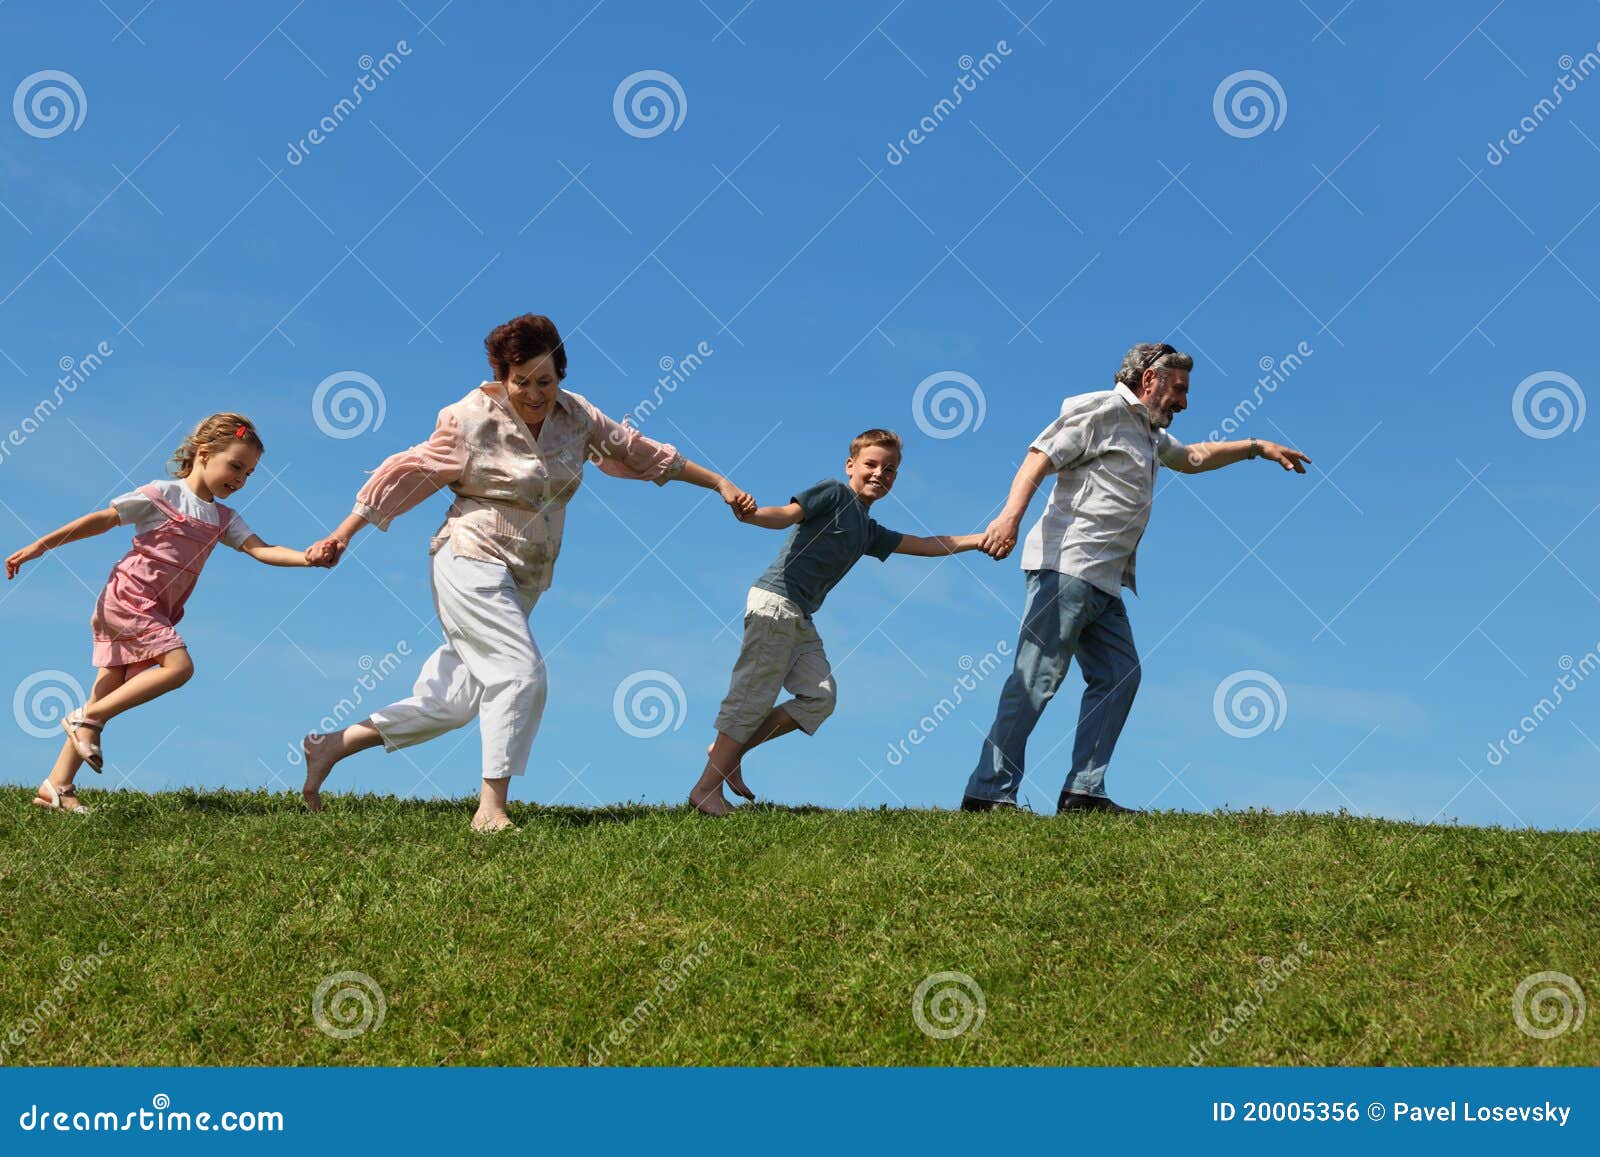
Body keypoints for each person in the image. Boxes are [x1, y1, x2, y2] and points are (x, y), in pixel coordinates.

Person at [300, 313, 755, 832]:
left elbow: (640, 452)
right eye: (522, 382)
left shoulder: (578, 417)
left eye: (546, 380)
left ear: (561, 374)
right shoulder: (469, 417)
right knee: (520, 674)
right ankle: (490, 810)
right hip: (468, 555)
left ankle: (330, 746)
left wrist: (718, 482)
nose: (535, 393)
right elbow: (409, 473)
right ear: (502, 375)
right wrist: (342, 534)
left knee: (451, 703)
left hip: (529, 572)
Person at [963, 343, 1310, 816]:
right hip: (1066, 568)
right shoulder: (1101, 410)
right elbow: (1038, 457)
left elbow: (1192, 458)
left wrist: (1255, 448)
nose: (1184, 402)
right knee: (1036, 679)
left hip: (1105, 581)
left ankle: (1083, 793)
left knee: (1120, 675)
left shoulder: (1147, 433)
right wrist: (1009, 518)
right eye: (1180, 389)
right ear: (1151, 380)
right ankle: (988, 793)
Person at [4, 414, 334, 814]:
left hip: (156, 608)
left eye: (248, 473)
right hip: (129, 597)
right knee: (179, 667)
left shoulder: (222, 519)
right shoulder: (163, 495)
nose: (240, 479)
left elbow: (260, 549)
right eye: (235, 466)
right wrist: (42, 545)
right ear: (203, 454)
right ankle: (86, 719)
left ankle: (56, 785)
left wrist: (307, 558)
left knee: (111, 682)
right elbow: (103, 520)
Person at [690, 428, 1000, 815]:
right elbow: (786, 516)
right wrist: (751, 515)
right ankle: (705, 789)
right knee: (752, 698)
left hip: (800, 617)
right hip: (775, 604)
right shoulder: (833, 493)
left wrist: (980, 539)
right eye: (871, 465)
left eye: (890, 470)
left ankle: (730, 752)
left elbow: (923, 545)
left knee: (819, 697)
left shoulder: (868, 529)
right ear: (851, 465)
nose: (879, 474)